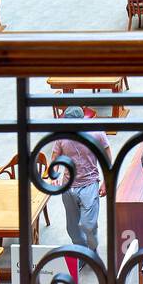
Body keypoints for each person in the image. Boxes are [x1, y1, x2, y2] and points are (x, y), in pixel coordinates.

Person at [48, 106, 112, 253]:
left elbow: (107, 152)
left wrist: (106, 181)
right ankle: (83, 252)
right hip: (68, 186)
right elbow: (55, 158)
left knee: (88, 225)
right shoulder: (62, 136)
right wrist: (54, 174)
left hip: (89, 184)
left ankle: (92, 249)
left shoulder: (95, 133)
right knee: (72, 227)